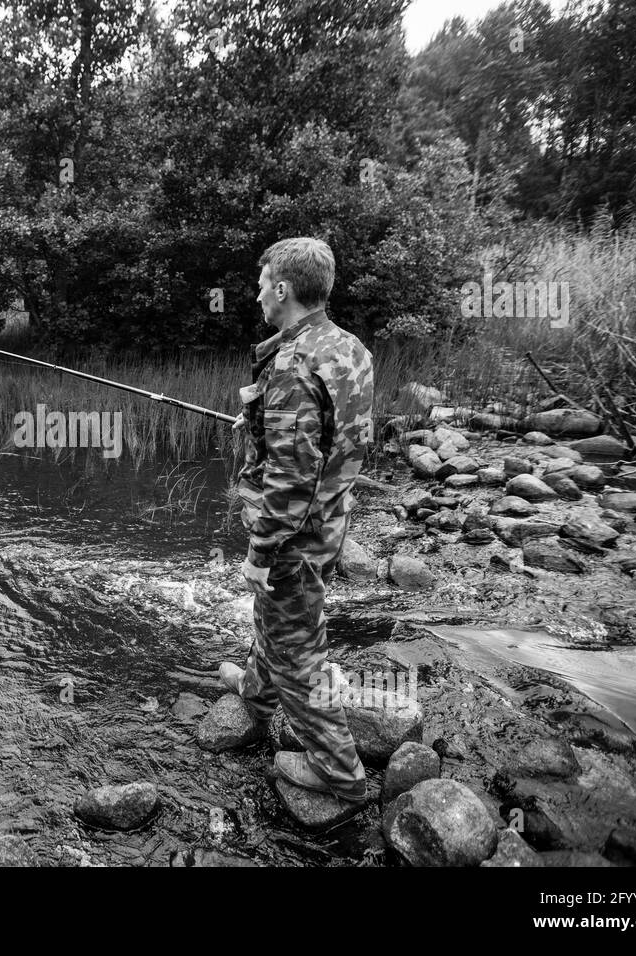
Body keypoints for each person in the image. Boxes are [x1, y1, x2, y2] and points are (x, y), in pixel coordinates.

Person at [219, 237, 375, 807]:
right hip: (331, 520)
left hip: (294, 534)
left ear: (283, 289)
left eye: (262, 284)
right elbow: (336, 439)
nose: (258, 294)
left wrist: (260, 554)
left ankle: (341, 773)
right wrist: (258, 419)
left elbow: (289, 478)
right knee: (285, 621)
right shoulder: (348, 348)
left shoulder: (292, 361)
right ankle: (257, 696)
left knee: (294, 647)